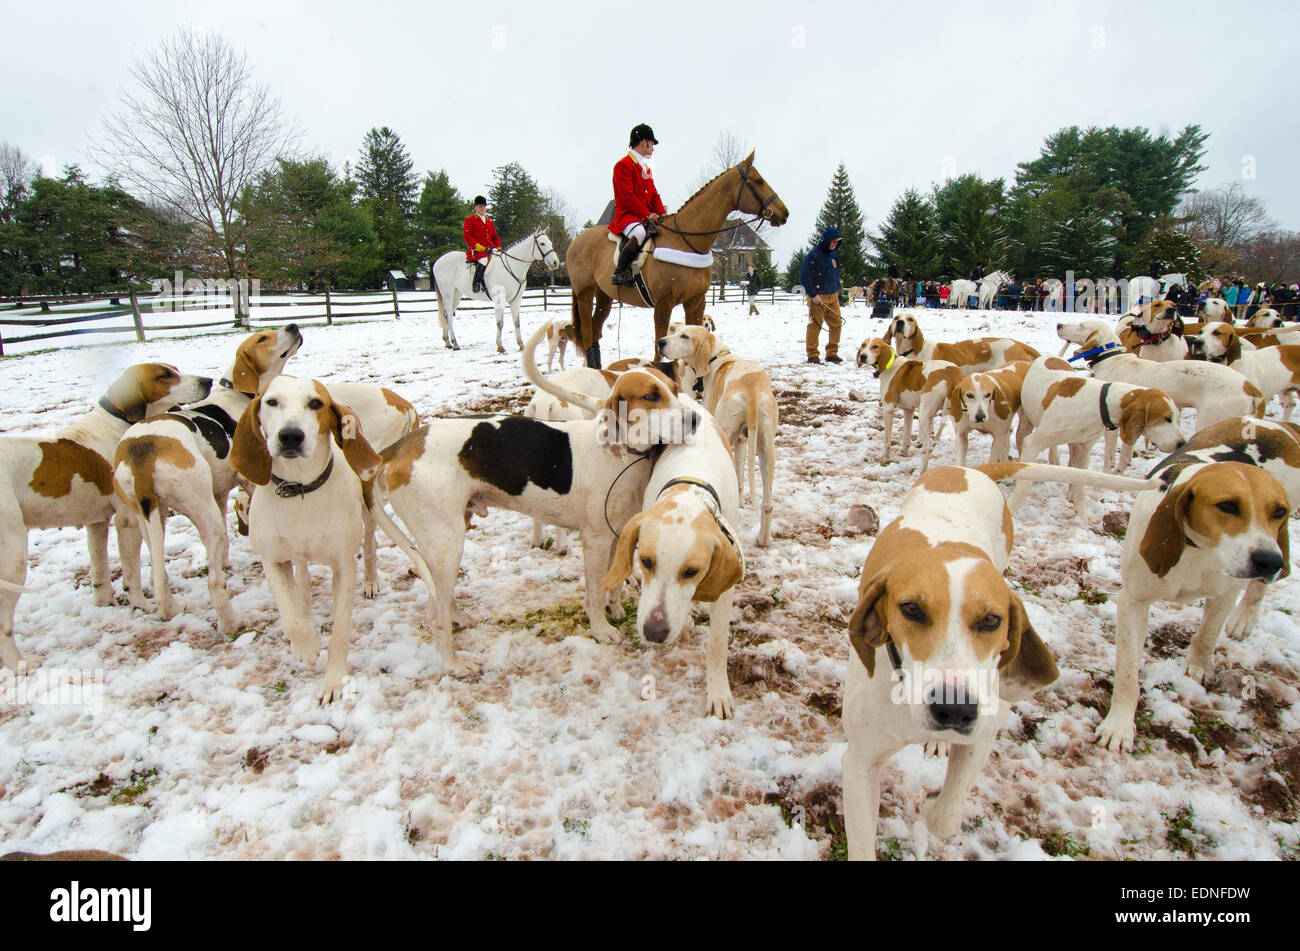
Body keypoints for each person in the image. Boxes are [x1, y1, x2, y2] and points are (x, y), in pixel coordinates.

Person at [610, 123, 667, 286]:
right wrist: (647, 214)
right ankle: (619, 271)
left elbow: (654, 194)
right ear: (643, 142)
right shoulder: (623, 165)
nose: (653, 148)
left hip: (643, 215)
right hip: (628, 216)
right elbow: (627, 196)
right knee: (640, 233)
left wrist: (662, 213)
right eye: (651, 144)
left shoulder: (646, 169)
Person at [799, 226, 843, 364]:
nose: (835, 245)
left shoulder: (833, 256)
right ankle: (812, 355)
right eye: (833, 242)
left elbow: (835, 274)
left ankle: (832, 353)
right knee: (815, 325)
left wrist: (837, 290)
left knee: (836, 323)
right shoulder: (813, 256)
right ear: (826, 240)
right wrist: (813, 294)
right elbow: (804, 277)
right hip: (818, 297)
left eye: (837, 243)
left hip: (833, 296)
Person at [463, 196, 501, 294]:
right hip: (478, 252)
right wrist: (476, 245)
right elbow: (467, 235)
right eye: (480, 206)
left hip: (490, 250)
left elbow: (495, 237)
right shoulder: (470, 220)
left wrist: (498, 246)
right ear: (475, 207)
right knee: (484, 261)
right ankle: (476, 283)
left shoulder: (489, 222)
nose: (482, 209)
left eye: (484, 206)